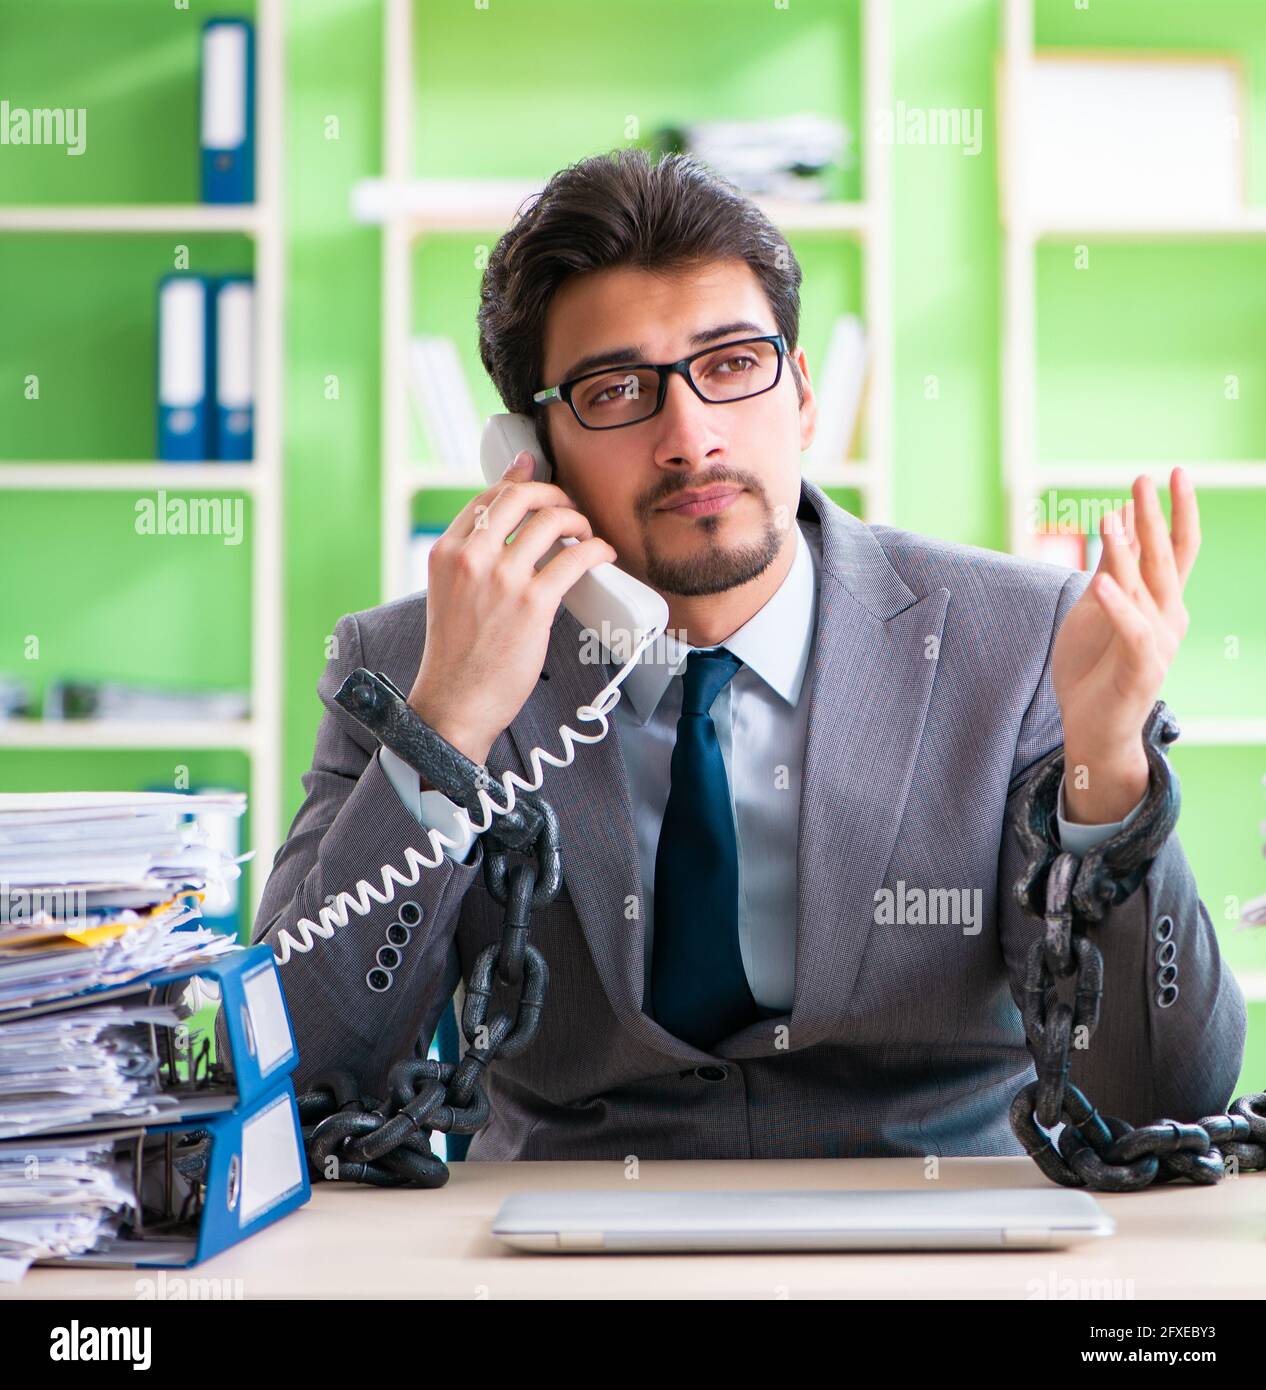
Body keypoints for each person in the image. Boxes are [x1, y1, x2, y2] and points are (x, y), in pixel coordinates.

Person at [226, 149, 1245, 1161]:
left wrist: (1107, 770)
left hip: (936, 1231)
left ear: (802, 393)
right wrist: (446, 726)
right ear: (526, 454)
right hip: (558, 1249)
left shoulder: (1022, 644)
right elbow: (296, 1077)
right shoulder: (411, 661)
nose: (691, 436)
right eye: (618, 389)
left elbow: (1159, 1097)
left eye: (730, 365)